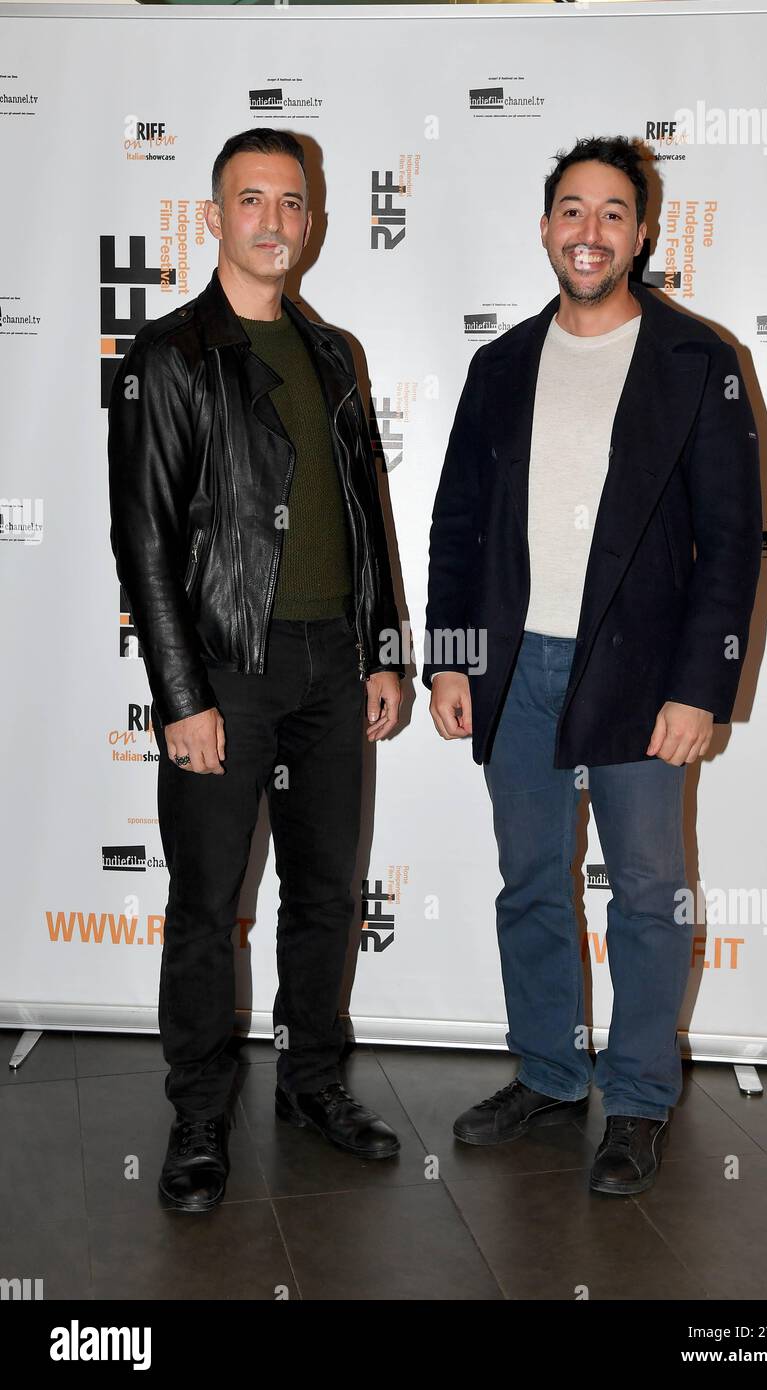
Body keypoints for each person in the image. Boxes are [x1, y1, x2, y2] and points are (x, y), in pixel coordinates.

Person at [423, 135, 763, 1195]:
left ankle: (640, 1098)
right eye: (571, 210)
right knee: (529, 881)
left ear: (642, 232)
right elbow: (456, 526)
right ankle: (548, 1072)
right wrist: (449, 661)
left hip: (641, 672)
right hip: (514, 669)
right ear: (543, 227)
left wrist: (698, 688)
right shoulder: (499, 364)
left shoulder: (694, 360)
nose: (589, 231)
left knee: (648, 891)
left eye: (612, 212)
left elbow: (730, 536)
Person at [108, 128, 404, 1213]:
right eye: (251, 200)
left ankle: (312, 1085)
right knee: (204, 902)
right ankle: (197, 1114)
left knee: (324, 892)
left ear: (313, 222)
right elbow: (142, 539)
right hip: (227, 668)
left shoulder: (335, 354)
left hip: (333, 661)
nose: (273, 220)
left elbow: (367, 518)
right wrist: (181, 697)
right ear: (213, 216)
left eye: (292, 202)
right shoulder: (169, 357)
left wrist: (380, 651)